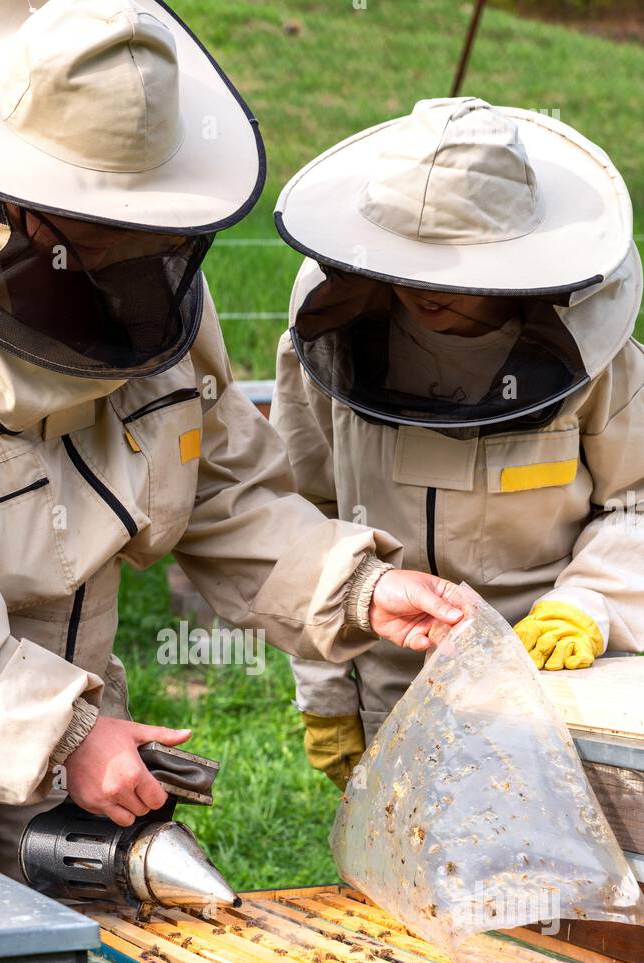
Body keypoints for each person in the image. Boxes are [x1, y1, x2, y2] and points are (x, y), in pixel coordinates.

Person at [0, 0, 461, 878]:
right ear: (18, 197)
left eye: (154, 219)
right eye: (111, 220)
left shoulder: (152, 274)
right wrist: (59, 730)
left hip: (78, 716)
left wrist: (357, 585)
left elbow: (218, 486)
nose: (140, 246)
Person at [271, 97, 644, 790]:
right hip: (391, 678)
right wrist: (323, 692)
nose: (423, 288)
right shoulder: (328, 351)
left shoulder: (602, 364)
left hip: (555, 685)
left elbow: (637, 505)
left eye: (452, 268)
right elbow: (301, 516)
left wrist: (588, 604)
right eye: (408, 262)